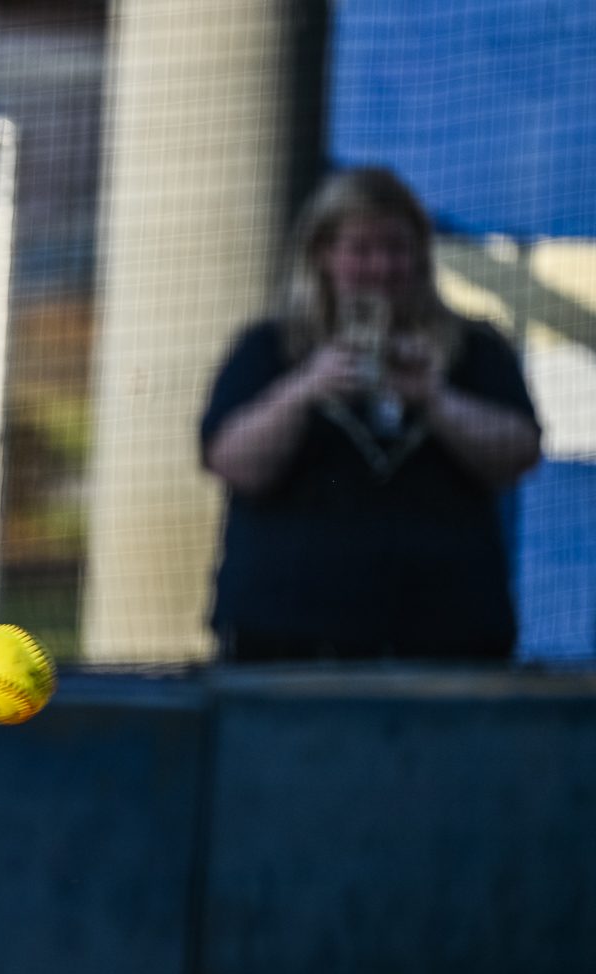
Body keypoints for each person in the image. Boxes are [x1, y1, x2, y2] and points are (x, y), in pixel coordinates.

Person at [200, 167, 543, 661]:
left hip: (446, 639)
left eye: (397, 249)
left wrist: (435, 398)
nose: (382, 267)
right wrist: (305, 389)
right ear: (323, 254)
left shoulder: (475, 348)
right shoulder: (271, 348)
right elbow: (230, 463)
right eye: (361, 250)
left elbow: (519, 454)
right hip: (289, 641)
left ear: (420, 255)